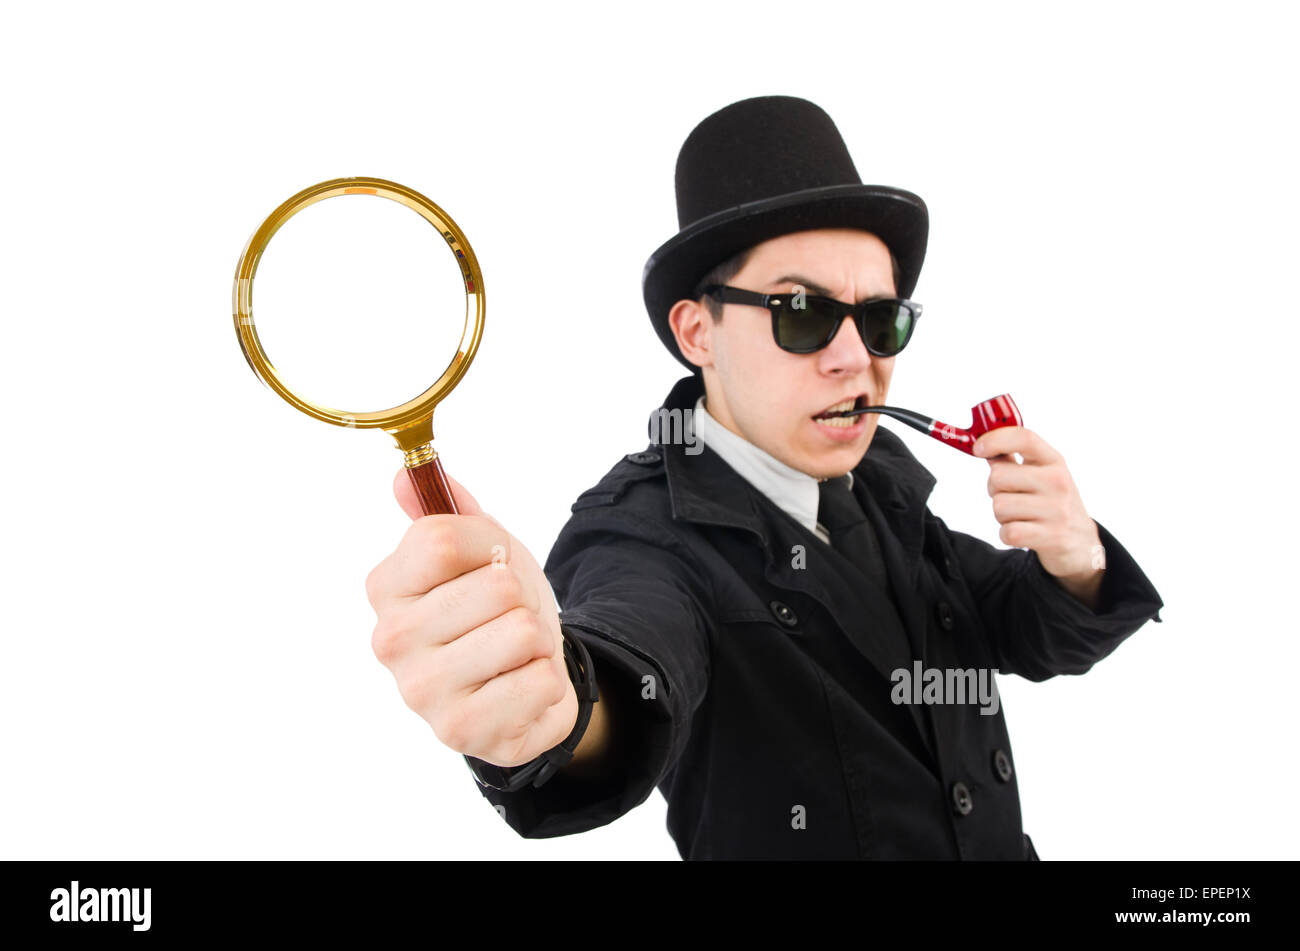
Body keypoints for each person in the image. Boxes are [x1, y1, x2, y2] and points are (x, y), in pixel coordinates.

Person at [364, 95, 1165, 859]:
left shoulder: (883, 486)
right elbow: (629, 667)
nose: (856, 358)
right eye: (802, 313)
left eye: (882, 321)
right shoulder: (642, 532)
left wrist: (1075, 558)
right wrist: (558, 713)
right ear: (696, 331)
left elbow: (1014, 627)